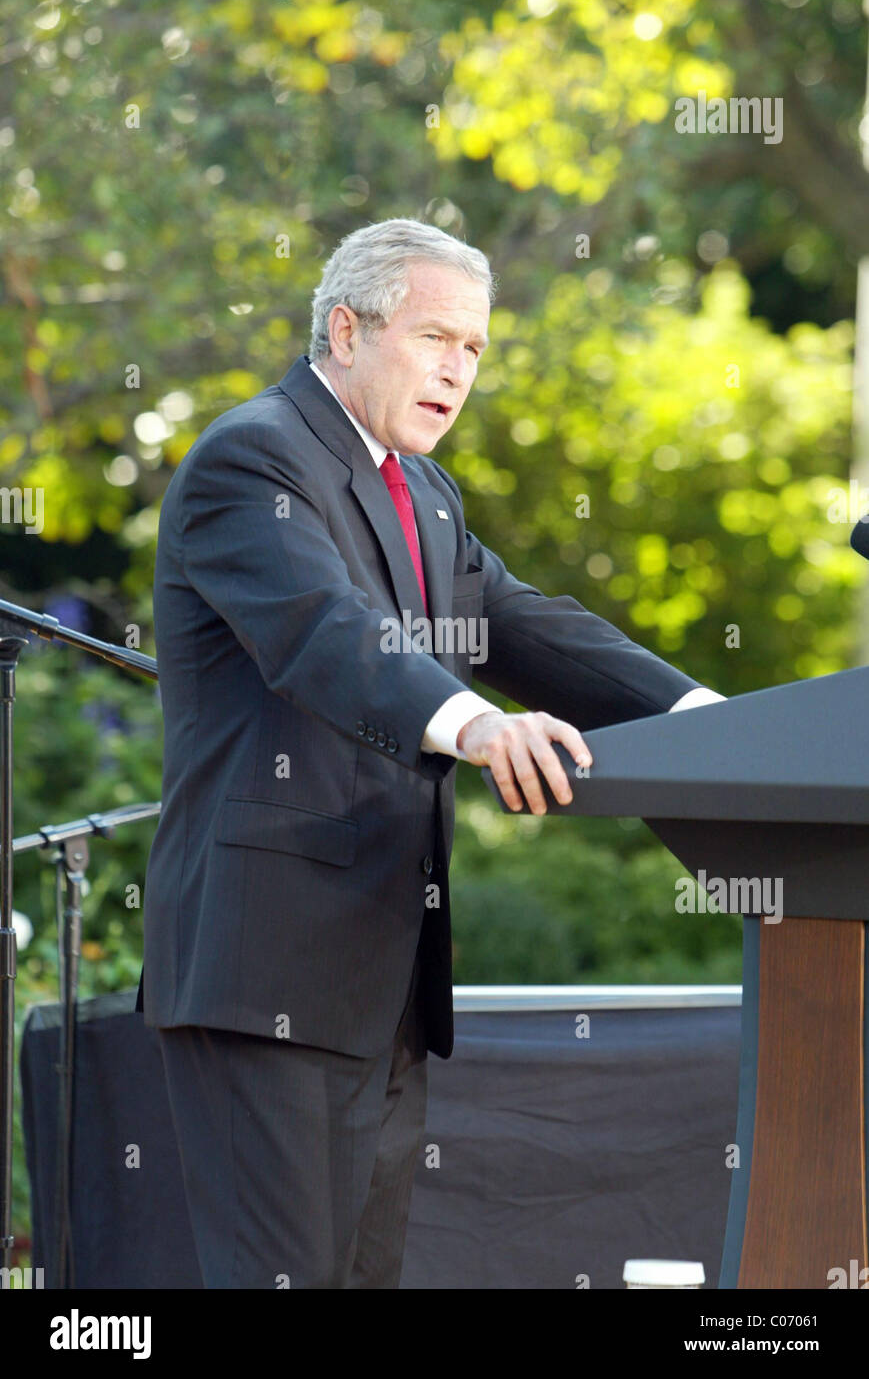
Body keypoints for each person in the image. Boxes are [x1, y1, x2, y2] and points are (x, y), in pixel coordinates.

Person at [137, 217, 724, 1289]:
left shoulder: (425, 491)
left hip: (383, 985)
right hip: (266, 975)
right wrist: (477, 725)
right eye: (435, 338)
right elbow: (328, 635)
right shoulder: (253, 456)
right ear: (345, 329)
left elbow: (526, 625)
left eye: (474, 350)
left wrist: (705, 715)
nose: (456, 370)